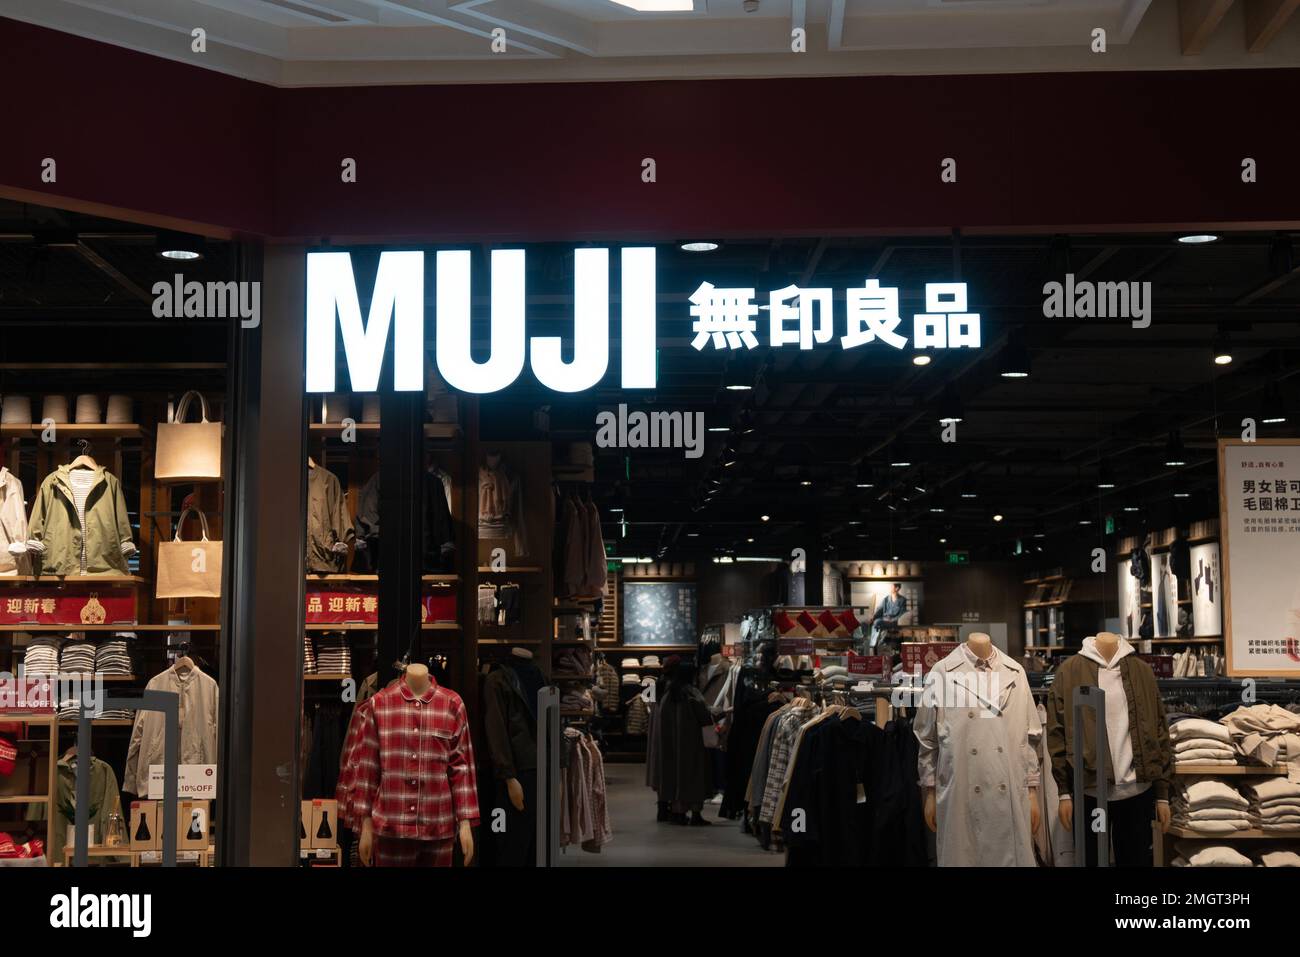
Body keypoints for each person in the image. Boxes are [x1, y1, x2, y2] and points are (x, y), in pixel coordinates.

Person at [646, 659, 716, 826]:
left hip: (670, 744)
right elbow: (704, 715)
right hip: (692, 743)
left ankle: (676, 811)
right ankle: (696, 814)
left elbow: (654, 711)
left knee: (674, 776)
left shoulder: (668, 693)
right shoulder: (691, 693)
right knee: (694, 776)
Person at [870, 582, 908, 648]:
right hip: (885, 620)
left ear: (897, 588)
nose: (890, 588)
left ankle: (877, 643)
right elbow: (879, 609)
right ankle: (874, 644)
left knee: (878, 622)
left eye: (891, 587)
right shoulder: (886, 599)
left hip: (895, 621)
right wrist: (873, 617)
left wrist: (892, 620)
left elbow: (903, 613)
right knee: (876, 621)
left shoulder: (903, 600)